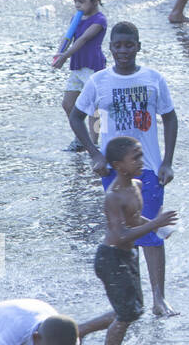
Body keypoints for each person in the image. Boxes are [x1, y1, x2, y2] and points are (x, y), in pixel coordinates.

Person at [70, 21, 179, 316]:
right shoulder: (99, 82)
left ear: (138, 47)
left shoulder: (153, 79)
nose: (123, 51)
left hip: (149, 169)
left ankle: (159, 297)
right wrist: (94, 154)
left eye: (129, 45)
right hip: (114, 171)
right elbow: (76, 116)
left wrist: (167, 161)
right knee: (123, 233)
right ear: (111, 48)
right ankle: (132, 298)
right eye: (117, 46)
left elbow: (169, 118)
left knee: (151, 232)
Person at [76, 137, 178, 345]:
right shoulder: (113, 196)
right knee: (126, 314)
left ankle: (81, 330)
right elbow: (120, 234)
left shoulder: (137, 185)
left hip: (127, 256)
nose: (141, 161)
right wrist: (155, 224)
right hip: (111, 258)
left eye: (141, 155)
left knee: (133, 310)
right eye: (135, 158)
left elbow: (134, 220)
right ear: (119, 166)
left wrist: (159, 229)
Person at [52, 0, 106, 151]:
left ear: (95, 0)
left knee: (94, 107)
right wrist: (60, 50)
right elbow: (69, 37)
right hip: (77, 67)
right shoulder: (76, 18)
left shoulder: (99, 20)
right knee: (68, 104)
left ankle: (94, 142)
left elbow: (83, 40)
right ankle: (80, 136)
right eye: (75, 1)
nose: (77, 5)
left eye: (81, 2)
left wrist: (65, 56)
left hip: (92, 68)